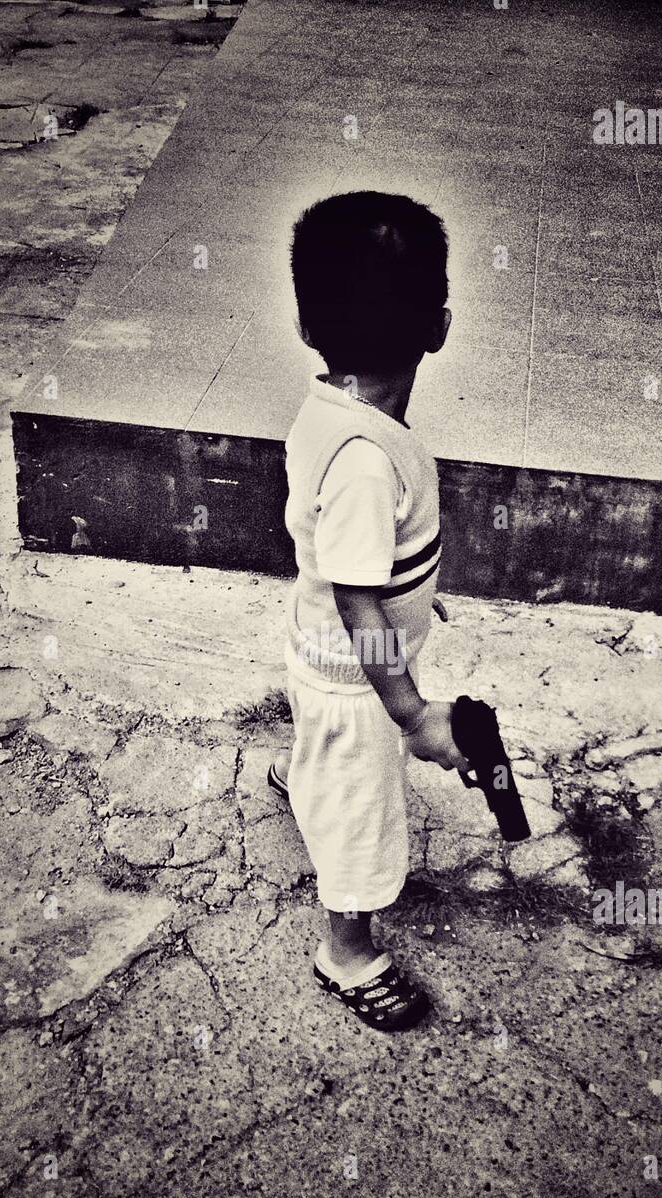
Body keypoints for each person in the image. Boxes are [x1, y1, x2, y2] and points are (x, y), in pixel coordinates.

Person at [269, 191, 469, 1031]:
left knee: (328, 748)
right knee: (363, 818)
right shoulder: (364, 461)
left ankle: (300, 773)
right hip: (356, 680)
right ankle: (346, 950)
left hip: (327, 653)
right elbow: (359, 597)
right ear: (439, 326)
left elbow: (364, 568)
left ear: (309, 329)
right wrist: (415, 716)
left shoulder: (337, 415)